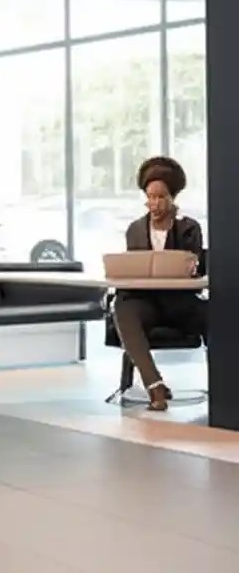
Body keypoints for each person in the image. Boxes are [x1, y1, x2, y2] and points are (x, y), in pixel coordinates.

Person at [112, 156, 207, 411]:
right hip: (147, 302)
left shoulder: (188, 228)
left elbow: (197, 271)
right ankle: (154, 385)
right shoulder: (135, 229)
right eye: (150, 197)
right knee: (122, 306)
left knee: (216, 316)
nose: (154, 204)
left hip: (179, 303)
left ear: (172, 198)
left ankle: (227, 387)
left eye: (160, 197)